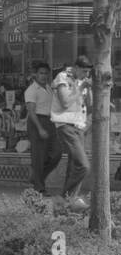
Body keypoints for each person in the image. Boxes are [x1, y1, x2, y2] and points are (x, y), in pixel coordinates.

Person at [50, 61, 91, 207]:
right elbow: (65, 103)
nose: (86, 75)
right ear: (77, 68)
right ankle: (63, 199)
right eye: (84, 71)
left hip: (79, 126)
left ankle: (68, 203)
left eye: (88, 72)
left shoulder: (82, 81)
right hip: (65, 124)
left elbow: (89, 106)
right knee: (83, 166)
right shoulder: (62, 77)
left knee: (74, 166)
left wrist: (89, 89)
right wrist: (81, 88)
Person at [24, 61, 61, 195]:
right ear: (35, 75)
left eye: (46, 73)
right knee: (38, 156)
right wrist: (40, 128)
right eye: (41, 73)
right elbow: (31, 112)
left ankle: (36, 178)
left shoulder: (49, 88)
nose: (43, 76)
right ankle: (39, 188)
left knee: (56, 153)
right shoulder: (31, 90)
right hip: (37, 121)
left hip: (50, 121)